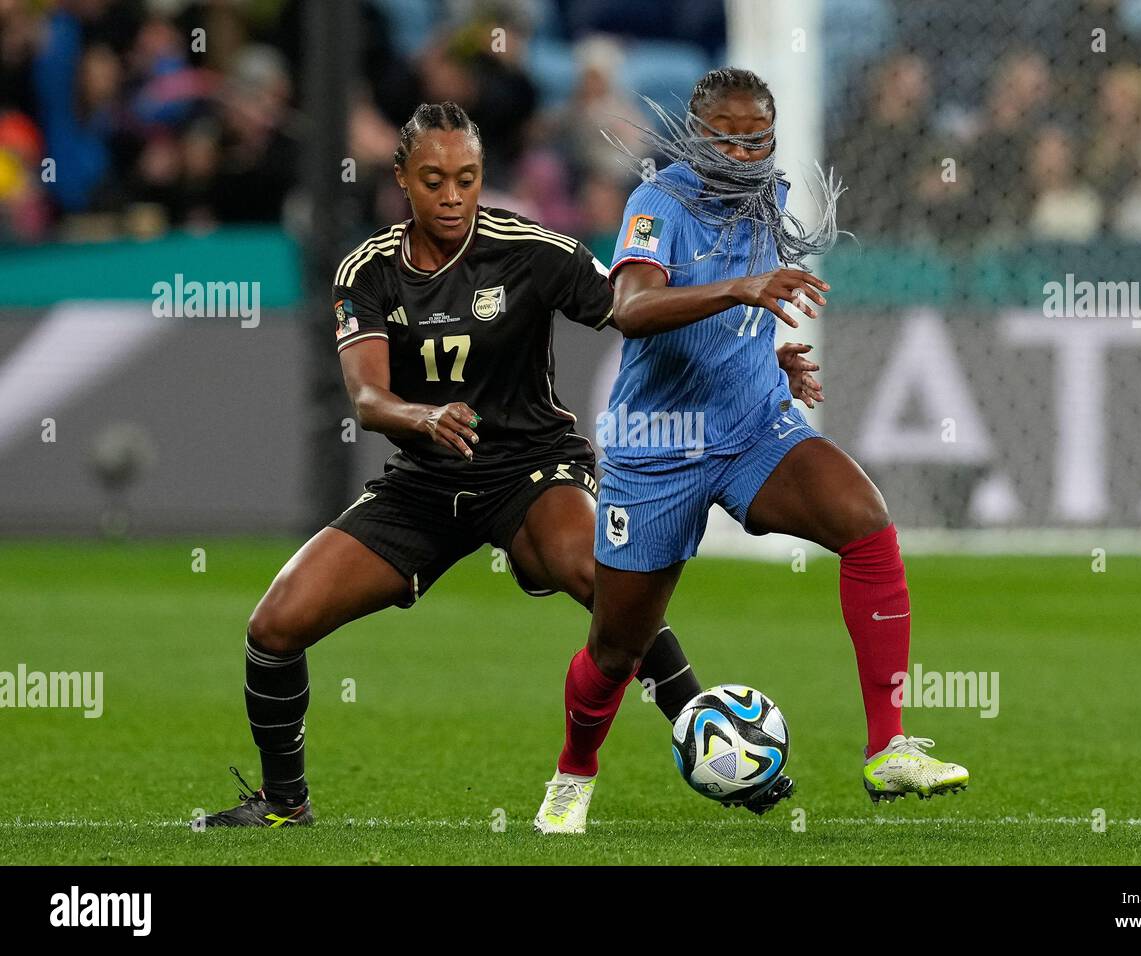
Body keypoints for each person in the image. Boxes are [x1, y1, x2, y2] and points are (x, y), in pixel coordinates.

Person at [200, 100, 816, 827]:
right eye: (434, 179)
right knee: (275, 625)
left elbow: (635, 312)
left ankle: (714, 739)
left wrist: (756, 361)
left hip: (531, 471)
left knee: (597, 574)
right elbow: (369, 399)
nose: (453, 195)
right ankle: (283, 803)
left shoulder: (531, 250)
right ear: (402, 179)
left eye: (467, 177)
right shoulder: (367, 272)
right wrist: (420, 416)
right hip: (425, 484)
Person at [533, 69, 969, 835]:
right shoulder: (658, 203)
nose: (741, 152)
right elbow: (628, 309)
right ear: (697, 134)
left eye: (756, 137)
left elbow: (741, 311)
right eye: (725, 137)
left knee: (865, 522)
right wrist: (742, 290)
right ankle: (574, 773)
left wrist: (770, 357)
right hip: (659, 446)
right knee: (615, 647)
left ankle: (887, 746)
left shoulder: (771, 195)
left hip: (750, 427)